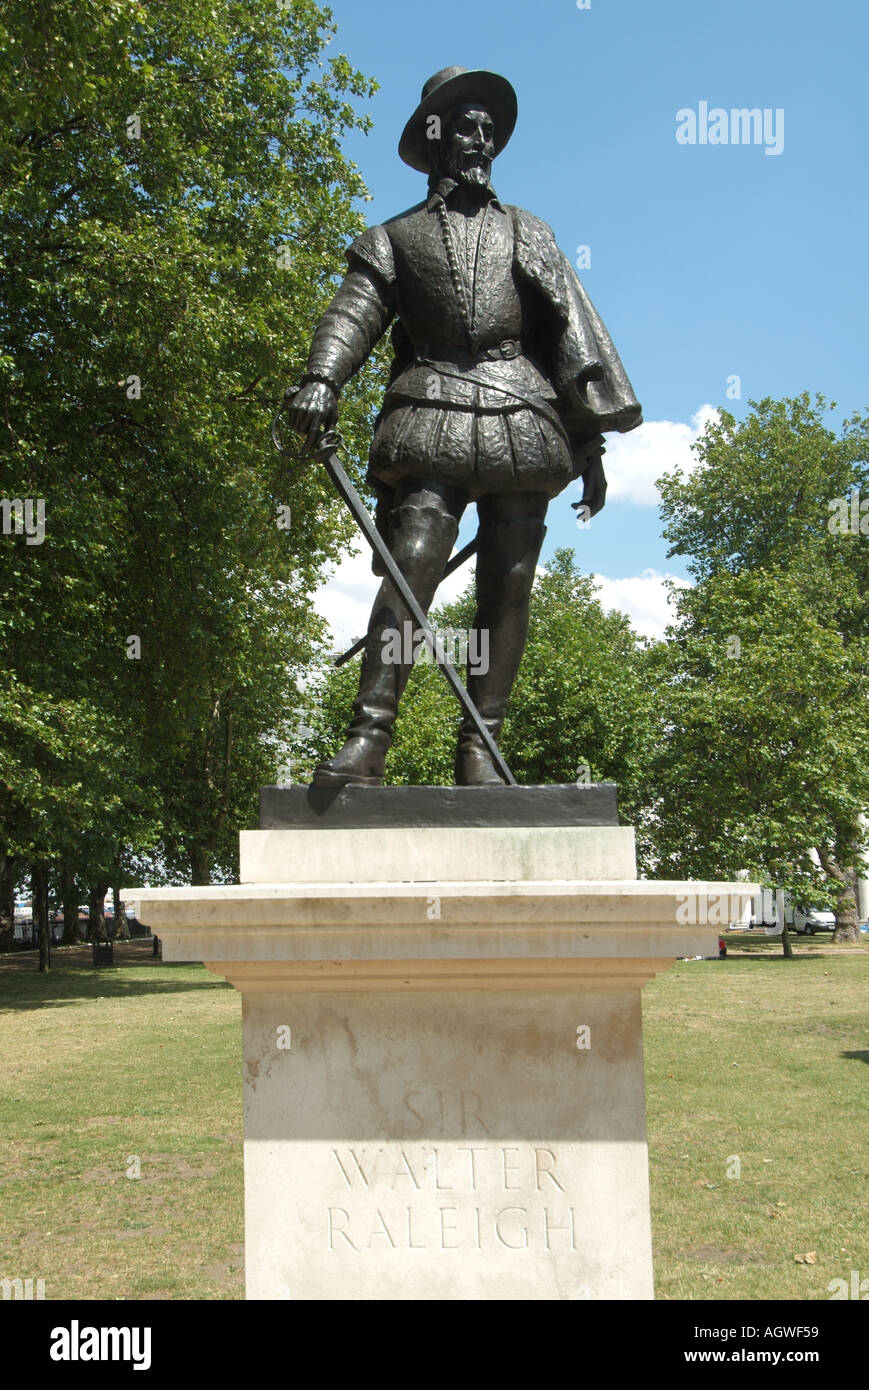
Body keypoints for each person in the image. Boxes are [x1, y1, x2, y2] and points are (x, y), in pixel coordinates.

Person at [288, 66, 642, 787]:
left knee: (507, 587)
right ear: (434, 134)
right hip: (430, 413)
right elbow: (353, 315)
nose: (482, 138)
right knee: (410, 565)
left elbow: (566, 335)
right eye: (467, 124)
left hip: (522, 414)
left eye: (490, 127)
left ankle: (481, 747)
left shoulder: (529, 231)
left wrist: (589, 443)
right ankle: (369, 740)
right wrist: (323, 379)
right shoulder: (394, 237)